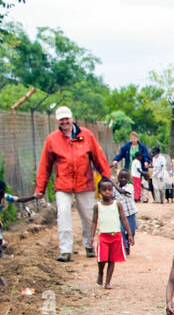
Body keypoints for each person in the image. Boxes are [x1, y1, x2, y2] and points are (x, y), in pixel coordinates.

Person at [35, 106, 113, 262]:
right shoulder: (52, 139)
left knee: (88, 215)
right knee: (63, 214)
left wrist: (106, 177)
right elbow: (45, 165)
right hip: (63, 183)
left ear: (72, 119)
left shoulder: (87, 135)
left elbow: (98, 157)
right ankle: (65, 250)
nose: (65, 122)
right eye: (61, 119)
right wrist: (40, 188)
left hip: (84, 182)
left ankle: (89, 244)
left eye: (67, 118)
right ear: (58, 121)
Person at [92, 179, 131, 289]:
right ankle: (100, 273)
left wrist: (129, 234)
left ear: (113, 191)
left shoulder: (117, 204)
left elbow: (124, 219)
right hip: (103, 236)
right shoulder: (97, 206)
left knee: (111, 260)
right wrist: (91, 236)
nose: (107, 192)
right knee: (102, 258)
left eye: (110, 189)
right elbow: (94, 221)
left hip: (116, 236)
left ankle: (108, 282)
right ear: (99, 191)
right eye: (104, 190)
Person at [114, 169, 139, 257]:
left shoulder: (130, 187)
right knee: (120, 231)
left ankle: (128, 244)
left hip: (130, 214)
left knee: (131, 232)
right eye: (121, 177)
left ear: (128, 179)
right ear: (118, 178)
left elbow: (123, 192)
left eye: (125, 178)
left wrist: (113, 184)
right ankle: (124, 247)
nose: (123, 179)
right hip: (120, 216)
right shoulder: (114, 189)